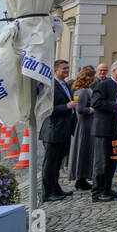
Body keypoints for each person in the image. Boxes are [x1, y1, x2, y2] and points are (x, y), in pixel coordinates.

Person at [89, 60, 117, 202]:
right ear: (114, 71)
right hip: (103, 129)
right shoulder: (103, 85)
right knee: (101, 162)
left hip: (115, 129)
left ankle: (107, 187)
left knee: (111, 162)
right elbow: (96, 102)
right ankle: (97, 191)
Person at [39, 59, 76, 202]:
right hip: (53, 130)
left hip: (64, 130)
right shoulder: (51, 86)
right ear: (55, 71)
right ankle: (47, 192)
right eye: (64, 69)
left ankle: (56, 189)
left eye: (67, 68)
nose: (67, 71)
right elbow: (48, 108)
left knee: (57, 164)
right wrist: (66, 107)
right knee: (50, 164)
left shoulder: (65, 84)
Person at [67, 65, 96, 191]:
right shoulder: (83, 91)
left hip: (87, 124)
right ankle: (81, 178)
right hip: (85, 125)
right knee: (83, 150)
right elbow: (80, 109)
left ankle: (83, 177)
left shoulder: (84, 90)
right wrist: (92, 109)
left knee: (85, 151)